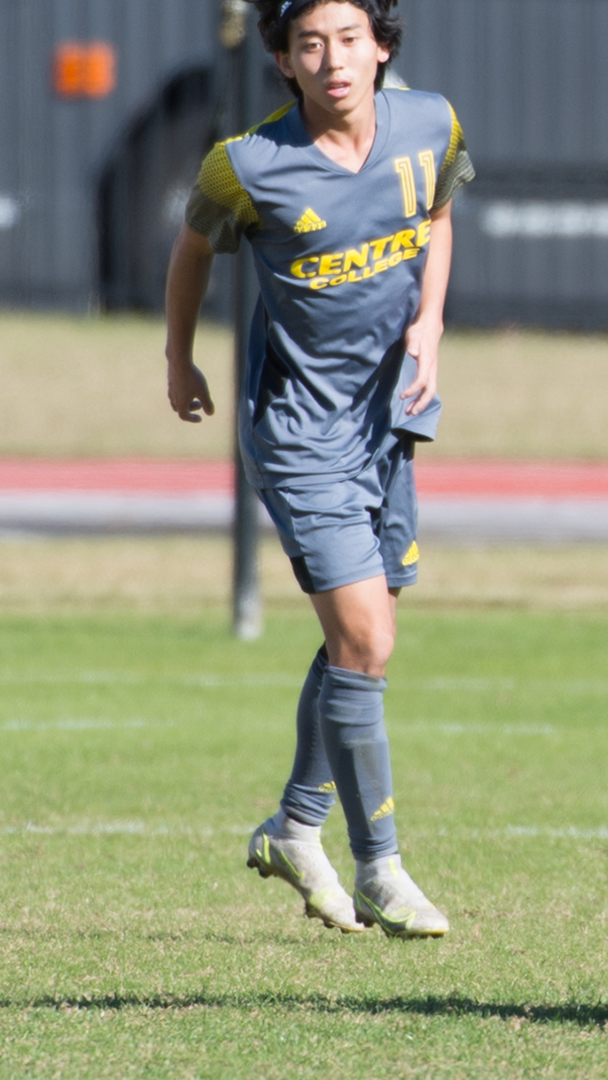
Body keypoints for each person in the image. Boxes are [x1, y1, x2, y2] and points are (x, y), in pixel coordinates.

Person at [162, 0, 473, 938]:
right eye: (310, 45)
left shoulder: (432, 124)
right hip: (299, 432)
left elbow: (439, 215)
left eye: (349, 39)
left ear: (381, 47)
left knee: (356, 640)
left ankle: (297, 825)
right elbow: (190, 254)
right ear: (283, 61)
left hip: (389, 421)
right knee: (369, 641)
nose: (333, 60)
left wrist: (430, 319)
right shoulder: (246, 164)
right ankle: (382, 867)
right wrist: (178, 358)